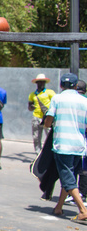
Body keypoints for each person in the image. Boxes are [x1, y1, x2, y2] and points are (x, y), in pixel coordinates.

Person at [43, 73, 87, 221]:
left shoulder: (57, 98)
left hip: (62, 144)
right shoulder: (84, 101)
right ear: (75, 86)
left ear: (61, 85)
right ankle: (59, 207)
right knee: (69, 176)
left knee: (67, 178)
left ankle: (82, 210)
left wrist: (49, 124)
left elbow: (49, 120)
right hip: (78, 145)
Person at [28, 73, 55, 153]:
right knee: (36, 138)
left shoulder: (50, 93)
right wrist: (31, 107)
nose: (41, 83)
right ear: (37, 83)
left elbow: (55, 103)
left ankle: (50, 155)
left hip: (47, 118)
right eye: (39, 82)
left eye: (43, 82)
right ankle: (38, 154)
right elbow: (29, 107)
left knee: (50, 137)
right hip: (36, 117)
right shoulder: (32, 94)